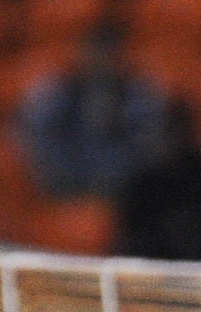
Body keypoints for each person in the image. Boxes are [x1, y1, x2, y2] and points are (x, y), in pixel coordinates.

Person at [15, 24, 170, 203]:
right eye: (94, 53)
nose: (99, 61)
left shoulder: (138, 93)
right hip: (64, 186)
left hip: (124, 192)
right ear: (82, 54)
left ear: (118, 57)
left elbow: (153, 141)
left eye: (106, 54)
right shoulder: (59, 90)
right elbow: (29, 129)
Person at [113, 100, 201, 262]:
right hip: (153, 263)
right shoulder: (141, 180)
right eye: (152, 133)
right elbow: (132, 238)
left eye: (166, 133)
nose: (157, 140)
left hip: (198, 262)